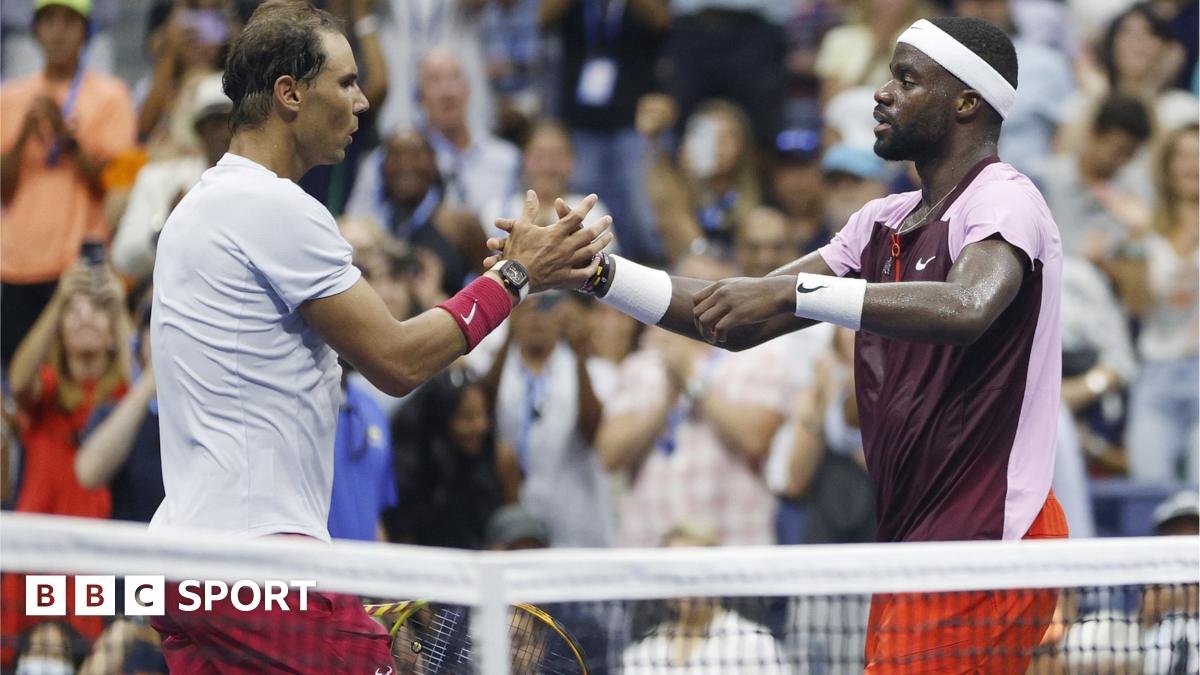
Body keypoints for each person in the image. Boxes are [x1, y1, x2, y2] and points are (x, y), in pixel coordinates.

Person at [495, 16, 1069, 672]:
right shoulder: (879, 222)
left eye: (907, 80)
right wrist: (597, 273)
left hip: (990, 532)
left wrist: (798, 293)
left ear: (966, 102)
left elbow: (967, 305)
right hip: (916, 536)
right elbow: (732, 317)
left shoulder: (1004, 198)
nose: (882, 93)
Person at [146, 2, 611, 672]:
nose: (363, 101)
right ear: (289, 93)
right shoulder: (273, 206)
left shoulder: (199, 209)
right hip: (261, 565)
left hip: (186, 569)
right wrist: (515, 277)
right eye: (346, 82)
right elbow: (398, 359)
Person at [0, 0, 137, 366]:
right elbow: (3, 188)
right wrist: (24, 134)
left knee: (83, 380)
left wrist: (64, 135)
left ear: (85, 31)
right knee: (20, 384)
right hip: (18, 265)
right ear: (36, 31)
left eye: (68, 22)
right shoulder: (9, 98)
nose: (58, 32)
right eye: (49, 21)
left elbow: (112, 184)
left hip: (80, 267)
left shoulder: (112, 95)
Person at [619, 519, 792, 675]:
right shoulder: (642, 654)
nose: (683, 582)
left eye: (692, 570)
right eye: (674, 571)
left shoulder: (756, 644)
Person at [111, 71, 233, 283]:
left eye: (232, 123)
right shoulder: (158, 179)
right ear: (200, 130)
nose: (224, 133)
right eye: (215, 123)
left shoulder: (266, 183)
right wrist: (167, 228)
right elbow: (124, 258)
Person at [417, 47, 520, 218]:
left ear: (468, 89)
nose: (447, 92)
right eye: (434, 80)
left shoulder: (507, 159)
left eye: (454, 78)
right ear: (420, 95)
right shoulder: (402, 163)